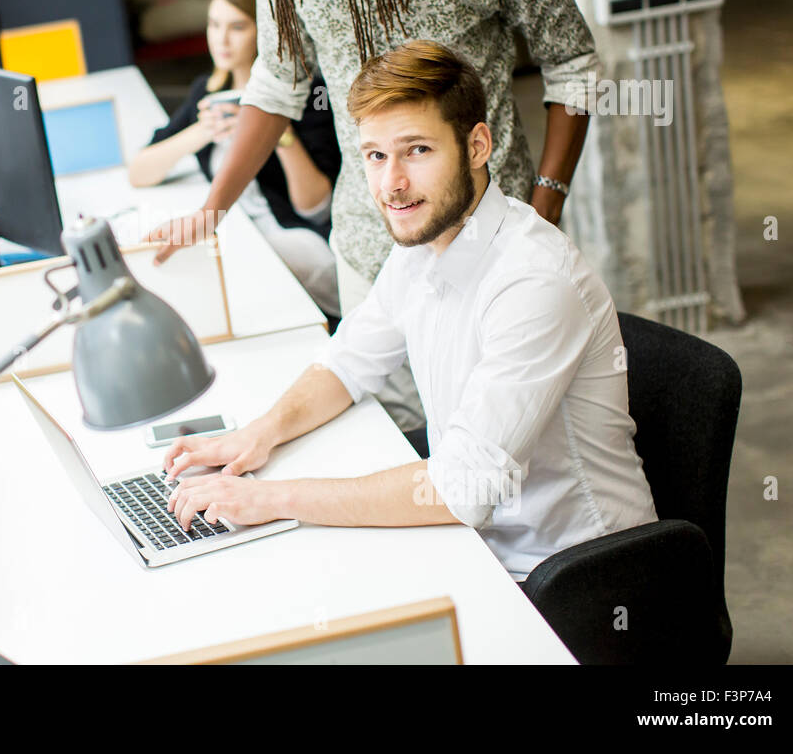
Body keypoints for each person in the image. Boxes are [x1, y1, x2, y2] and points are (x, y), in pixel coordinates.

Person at [146, 0, 599, 431]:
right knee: (386, 437)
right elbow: (277, 82)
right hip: (368, 242)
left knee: (490, 453)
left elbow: (571, 61)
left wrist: (547, 201)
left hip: (487, 240)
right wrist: (212, 209)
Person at [160, 41, 657, 583]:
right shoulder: (423, 246)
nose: (391, 183)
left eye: (416, 150)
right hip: (477, 545)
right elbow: (347, 363)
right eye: (375, 156)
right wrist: (258, 434)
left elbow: (463, 488)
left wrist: (271, 499)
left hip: (574, 576)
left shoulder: (533, 281)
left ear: (477, 146)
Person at [129, 0, 342, 317]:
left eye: (238, 27)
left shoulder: (309, 94)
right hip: (230, 226)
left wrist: (276, 132)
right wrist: (201, 131)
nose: (221, 40)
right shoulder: (208, 92)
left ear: (266, 31)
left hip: (289, 238)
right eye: (214, 25)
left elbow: (315, 208)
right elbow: (139, 172)